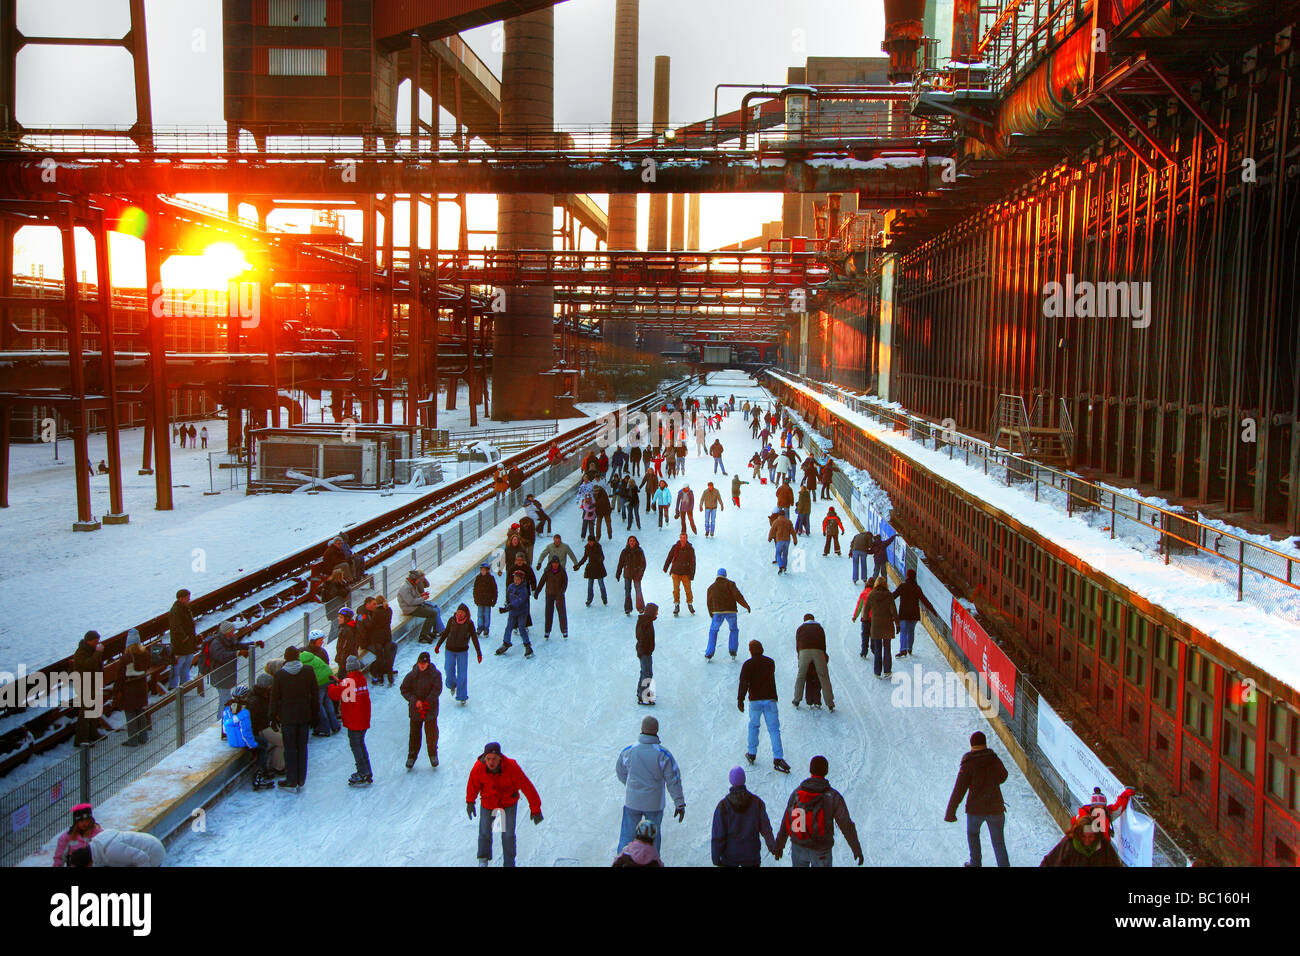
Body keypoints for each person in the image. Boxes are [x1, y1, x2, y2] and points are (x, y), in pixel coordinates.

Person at [773, 755, 864, 867]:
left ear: (810, 770)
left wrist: (779, 845)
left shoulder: (797, 793)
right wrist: (856, 848)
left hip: (799, 846)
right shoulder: (832, 796)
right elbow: (845, 824)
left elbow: (786, 819)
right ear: (826, 771)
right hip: (821, 850)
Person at [615, 715, 685, 854]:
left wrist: (630, 786)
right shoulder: (663, 754)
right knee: (653, 837)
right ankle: (652, 860)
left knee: (627, 836)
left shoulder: (628, 751)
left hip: (632, 802)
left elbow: (620, 771)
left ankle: (622, 860)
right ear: (656, 731)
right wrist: (679, 803)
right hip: (654, 804)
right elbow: (673, 780)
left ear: (642, 729)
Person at [466, 742, 543, 867]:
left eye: (494, 759)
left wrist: (535, 809)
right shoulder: (478, 768)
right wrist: (470, 802)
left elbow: (527, 787)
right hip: (488, 802)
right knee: (484, 830)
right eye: (488, 759)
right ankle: (483, 859)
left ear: (500, 758)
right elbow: (472, 786)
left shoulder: (512, 767)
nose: (491, 762)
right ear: (484, 758)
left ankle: (509, 862)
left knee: (508, 835)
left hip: (508, 803)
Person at [943, 731, 1011, 867]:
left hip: (976, 810)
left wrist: (950, 812)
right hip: (995, 808)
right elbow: (1003, 776)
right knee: (998, 842)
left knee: (973, 835)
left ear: (972, 745)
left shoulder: (968, 763)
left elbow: (959, 790)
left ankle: (975, 864)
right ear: (985, 743)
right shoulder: (993, 759)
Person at [270, 644, 319, 792]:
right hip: (304, 716)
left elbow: (274, 699)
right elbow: (315, 696)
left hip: (287, 718)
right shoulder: (308, 671)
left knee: (290, 749)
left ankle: (291, 779)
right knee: (302, 748)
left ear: (285, 659)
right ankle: (301, 778)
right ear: (298, 656)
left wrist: (272, 718)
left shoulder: (280, 676)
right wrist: (315, 716)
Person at [711, 766, 778, 867]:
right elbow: (766, 828)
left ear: (731, 781)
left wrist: (715, 858)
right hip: (751, 856)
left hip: (730, 858)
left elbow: (718, 836)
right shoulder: (757, 803)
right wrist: (773, 847)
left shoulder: (723, 806)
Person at [738, 639, 788, 771]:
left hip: (755, 700)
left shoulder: (747, 665)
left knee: (754, 726)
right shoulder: (770, 663)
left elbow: (743, 683)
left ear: (750, 651)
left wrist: (740, 700)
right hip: (770, 699)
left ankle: (752, 753)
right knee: (774, 729)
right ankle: (778, 757)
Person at [326, 656, 372, 785]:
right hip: (363, 719)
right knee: (361, 746)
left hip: (354, 720)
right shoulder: (360, 679)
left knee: (356, 747)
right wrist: (340, 681)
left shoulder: (349, 681)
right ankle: (366, 772)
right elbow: (349, 689)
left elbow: (335, 694)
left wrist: (331, 686)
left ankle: (362, 773)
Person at [1040, 807, 1125, 867]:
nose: (1087, 840)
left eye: (1090, 836)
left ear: (1096, 835)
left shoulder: (1103, 845)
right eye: (1083, 836)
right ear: (1078, 834)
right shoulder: (1068, 844)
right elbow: (1049, 863)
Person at [400, 650, 443, 768]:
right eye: (420, 663)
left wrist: (427, 702)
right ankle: (412, 756)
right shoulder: (411, 675)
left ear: (428, 663)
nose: (422, 666)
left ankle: (433, 754)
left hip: (430, 710)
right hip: (416, 711)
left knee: (432, 734)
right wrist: (414, 701)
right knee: (414, 734)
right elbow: (404, 689)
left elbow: (437, 689)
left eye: (424, 664)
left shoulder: (435, 674)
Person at [208, 620, 260, 716]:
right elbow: (221, 656)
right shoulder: (216, 643)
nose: (234, 632)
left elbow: (239, 645)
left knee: (225, 699)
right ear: (227, 632)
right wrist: (237, 653)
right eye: (232, 630)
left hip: (227, 674)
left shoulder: (229, 640)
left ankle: (223, 720)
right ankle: (222, 720)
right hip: (220, 676)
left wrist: (254, 644)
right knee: (225, 700)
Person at [434, 603, 482, 706]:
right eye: (458, 612)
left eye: (462, 613)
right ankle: (452, 685)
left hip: (462, 651)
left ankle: (462, 696)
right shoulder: (452, 620)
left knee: (462, 675)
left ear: (466, 614)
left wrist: (479, 653)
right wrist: (438, 645)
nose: (459, 614)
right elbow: (446, 632)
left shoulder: (469, 624)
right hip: (450, 649)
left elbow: (474, 638)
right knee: (448, 669)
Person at [854, 577, 899, 678]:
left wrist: (865, 619)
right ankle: (887, 671)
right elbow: (894, 611)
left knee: (878, 649)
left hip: (876, 626)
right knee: (887, 648)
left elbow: (866, 611)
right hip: (887, 625)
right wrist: (897, 624)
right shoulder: (889, 595)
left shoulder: (872, 595)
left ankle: (877, 672)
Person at [791, 613, 835, 712]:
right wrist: (823, 655)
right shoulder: (819, 628)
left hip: (804, 651)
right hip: (818, 651)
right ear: (813, 619)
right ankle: (830, 703)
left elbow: (798, 644)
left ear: (804, 620)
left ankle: (796, 699)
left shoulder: (800, 628)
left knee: (801, 676)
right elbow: (823, 644)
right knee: (824, 677)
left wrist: (799, 656)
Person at [300, 632, 340, 738]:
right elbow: (325, 666)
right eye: (320, 640)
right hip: (326, 680)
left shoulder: (304, 655)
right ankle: (335, 725)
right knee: (327, 703)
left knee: (319, 706)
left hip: (318, 683)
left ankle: (324, 729)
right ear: (313, 640)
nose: (322, 642)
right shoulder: (317, 653)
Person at [704, 568, 750, 660]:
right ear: (725, 575)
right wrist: (746, 606)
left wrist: (711, 614)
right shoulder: (730, 584)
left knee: (713, 631)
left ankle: (709, 653)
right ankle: (733, 651)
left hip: (717, 612)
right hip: (731, 611)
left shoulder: (711, 587)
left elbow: (709, 602)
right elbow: (738, 596)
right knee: (733, 629)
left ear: (717, 575)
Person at [892, 568, 937, 658]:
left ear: (907, 576)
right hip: (914, 614)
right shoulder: (917, 588)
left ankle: (903, 649)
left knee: (903, 631)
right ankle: (909, 648)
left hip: (904, 613)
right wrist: (933, 610)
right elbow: (924, 600)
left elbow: (893, 596)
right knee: (911, 631)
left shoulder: (902, 586)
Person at [71, 632, 105, 747]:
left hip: (93, 684)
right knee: (85, 713)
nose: (98, 643)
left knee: (94, 709)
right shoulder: (81, 652)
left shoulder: (92, 650)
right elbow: (88, 664)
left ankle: (93, 734)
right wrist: (98, 653)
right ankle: (81, 740)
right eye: (96, 641)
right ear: (88, 641)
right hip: (84, 685)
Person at [67, 829, 166, 867]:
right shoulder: (98, 843)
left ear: (88, 864)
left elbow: (142, 858)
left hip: (154, 853)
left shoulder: (111, 852)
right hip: (150, 842)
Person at [250, 672, 285, 780]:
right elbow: (254, 721)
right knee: (283, 741)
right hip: (262, 729)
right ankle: (278, 766)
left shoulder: (264, 695)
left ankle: (280, 763)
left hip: (267, 724)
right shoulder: (255, 701)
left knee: (285, 735)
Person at [118, 632, 151, 746]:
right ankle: (144, 737)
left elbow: (120, 677)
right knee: (140, 711)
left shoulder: (125, 658)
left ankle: (132, 740)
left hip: (129, 690)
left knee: (130, 714)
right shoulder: (146, 653)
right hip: (141, 687)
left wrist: (116, 692)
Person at [397, 569, 444, 644]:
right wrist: (422, 599)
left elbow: (415, 596)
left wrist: (421, 596)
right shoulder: (405, 588)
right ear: (414, 579)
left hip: (415, 605)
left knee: (434, 608)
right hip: (409, 609)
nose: (419, 582)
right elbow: (410, 602)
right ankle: (424, 635)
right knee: (432, 613)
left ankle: (431, 631)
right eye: (418, 580)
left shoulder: (411, 585)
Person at [496, 569, 534, 658]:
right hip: (513, 612)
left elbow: (518, 602)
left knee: (521, 628)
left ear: (522, 580)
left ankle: (527, 646)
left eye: (518, 579)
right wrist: (506, 604)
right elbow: (508, 597)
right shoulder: (511, 587)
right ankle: (506, 643)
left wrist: (507, 608)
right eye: (515, 579)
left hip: (522, 612)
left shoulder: (524, 590)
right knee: (508, 627)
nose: (516, 581)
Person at [361, 593, 396, 686]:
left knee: (379, 657)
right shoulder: (389, 610)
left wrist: (365, 620)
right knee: (388, 657)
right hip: (387, 636)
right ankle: (390, 677)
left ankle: (380, 677)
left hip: (378, 638)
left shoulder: (376, 612)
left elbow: (371, 625)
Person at [168, 588, 197, 691]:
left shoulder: (185, 608)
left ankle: (185, 685)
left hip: (188, 644)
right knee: (177, 667)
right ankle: (173, 688)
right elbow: (176, 627)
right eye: (187, 598)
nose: (189, 600)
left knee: (186, 665)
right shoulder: (175, 610)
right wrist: (185, 638)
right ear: (181, 598)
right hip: (180, 646)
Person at [534, 557, 570, 641]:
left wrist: (562, 592)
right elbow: (542, 581)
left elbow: (565, 582)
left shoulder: (562, 571)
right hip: (549, 594)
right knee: (548, 613)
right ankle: (547, 631)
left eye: (557, 563)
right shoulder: (548, 571)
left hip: (559, 595)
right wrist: (537, 591)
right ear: (551, 563)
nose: (555, 565)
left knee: (562, 613)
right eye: (554, 563)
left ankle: (564, 630)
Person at [663, 532, 696, 616]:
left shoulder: (690, 549)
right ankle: (676, 605)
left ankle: (690, 603)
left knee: (688, 590)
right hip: (676, 572)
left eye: (684, 538)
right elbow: (670, 557)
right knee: (676, 590)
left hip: (685, 573)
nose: (682, 539)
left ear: (686, 539)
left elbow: (693, 562)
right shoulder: (675, 547)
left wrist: (692, 574)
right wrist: (666, 567)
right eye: (681, 537)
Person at [616, 535, 647, 616]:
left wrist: (640, 573)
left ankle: (640, 608)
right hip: (627, 573)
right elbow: (620, 563)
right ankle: (628, 608)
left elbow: (643, 563)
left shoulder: (639, 551)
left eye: (633, 541)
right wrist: (618, 573)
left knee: (638, 591)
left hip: (636, 574)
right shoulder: (624, 551)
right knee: (627, 591)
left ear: (636, 542)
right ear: (628, 542)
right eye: (630, 541)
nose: (632, 542)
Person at [574, 535, 609, 607]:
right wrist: (578, 565)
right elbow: (585, 557)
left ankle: (604, 599)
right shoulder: (587, 547)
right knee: (590, 585)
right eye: (589, 541)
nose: (590, 543)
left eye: (591, 541)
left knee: (601, 584)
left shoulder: (598, 547)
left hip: (599, 568)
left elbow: (602, 557)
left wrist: (600, 559)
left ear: (594, 541)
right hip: (591, 569)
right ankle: (589, 599)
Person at [635, 603, 658, 705]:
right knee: (647, 674)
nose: (657, 614)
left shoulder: (645, 621)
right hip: (645, 652)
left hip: (643, 651)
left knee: (644, 672)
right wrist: (646, 651)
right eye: (656, 612)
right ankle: (644, 696)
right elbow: (643, 638)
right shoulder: (646, 623)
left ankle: (640, 692)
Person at [471, 562, 498, 638]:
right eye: (481, 570)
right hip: (480, 600)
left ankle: (486, 629)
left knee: (486, 615)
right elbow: (475, 589)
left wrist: (494, 600)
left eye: (484, 570)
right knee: (480, 615)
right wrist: (475, 598)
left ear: (487, 570)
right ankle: (479, 628)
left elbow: (494, 590)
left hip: (488, 601)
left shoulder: (491, 579)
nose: (482, 572)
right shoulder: (478, 578)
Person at [768, 509, 797, 574]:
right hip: (787, 540)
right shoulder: (789, 522)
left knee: (778, 554)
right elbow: (793, 532)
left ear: (778, 515)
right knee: (785, 554)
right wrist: (795, 540)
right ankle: (784, 567)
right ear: (784, 515)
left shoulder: (776, 521)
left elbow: (772, 530)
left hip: (779, 540)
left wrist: (769, 538)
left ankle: (781, 567)